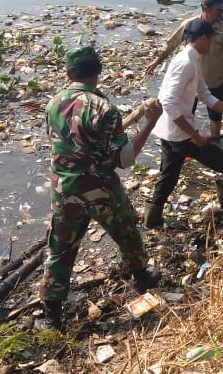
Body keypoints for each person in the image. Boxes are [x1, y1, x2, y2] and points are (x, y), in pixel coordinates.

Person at [37, 46, 163, 331]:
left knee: (60, 248)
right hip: (99, 188)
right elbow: (124, 159)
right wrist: (149, 123)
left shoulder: (53, 103)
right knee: (127, 227)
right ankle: (141, 277)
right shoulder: (104, 109)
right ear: (99, 71)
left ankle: (51, 316)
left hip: (64, 188)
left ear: (69, 74)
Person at [145, 19, 223, 229]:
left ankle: (151, 219)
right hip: (181, 135)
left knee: (168, 177)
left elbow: (205, 95)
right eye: (211, 40)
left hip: (170, 132)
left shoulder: (190, 59)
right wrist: (194, 135)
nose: (211, 45)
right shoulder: (186, 63)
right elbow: (168, 101)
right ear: (203, 38)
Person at [144, 0, 223, 138]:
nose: (221, 13)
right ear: (206, 9)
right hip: (191, 80)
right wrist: (157, 61)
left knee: (215, 116)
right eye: (218, 9)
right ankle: (189, 139)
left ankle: (214, 141)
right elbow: (172, 44)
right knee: (187, 112)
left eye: (222, 10)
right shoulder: (190, 26)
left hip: (214, 79)